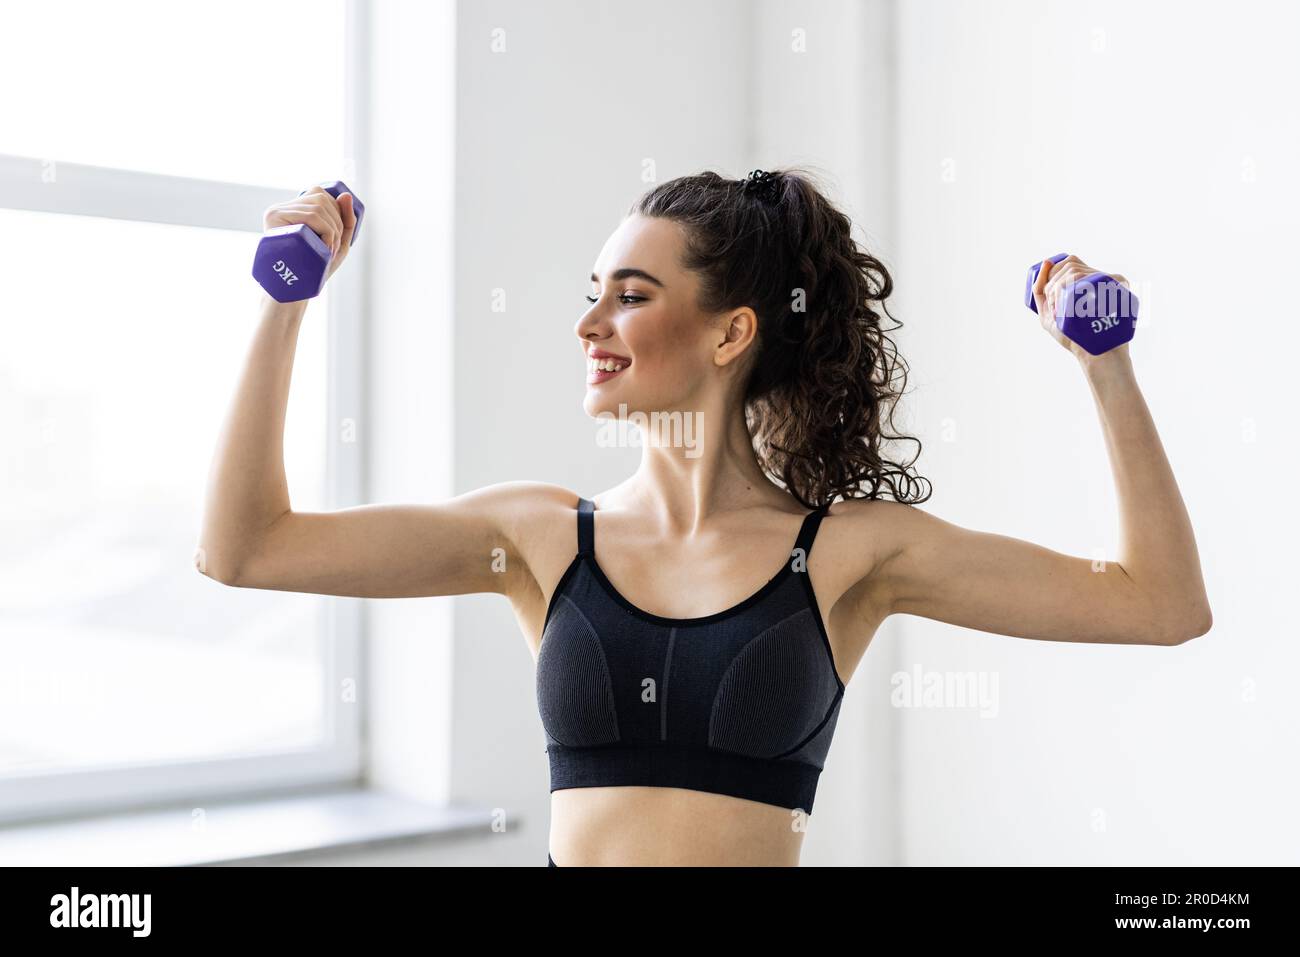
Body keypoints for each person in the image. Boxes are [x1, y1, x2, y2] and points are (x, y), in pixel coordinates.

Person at [197, 168, 1213, 867]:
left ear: (731, 332)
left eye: (630, 296)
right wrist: (284, 303)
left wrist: (1106, 369)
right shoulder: (543, 536)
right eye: (593, 293)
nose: (590, 324)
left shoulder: (847, 553)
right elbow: (246, 548)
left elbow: (1159, 605)